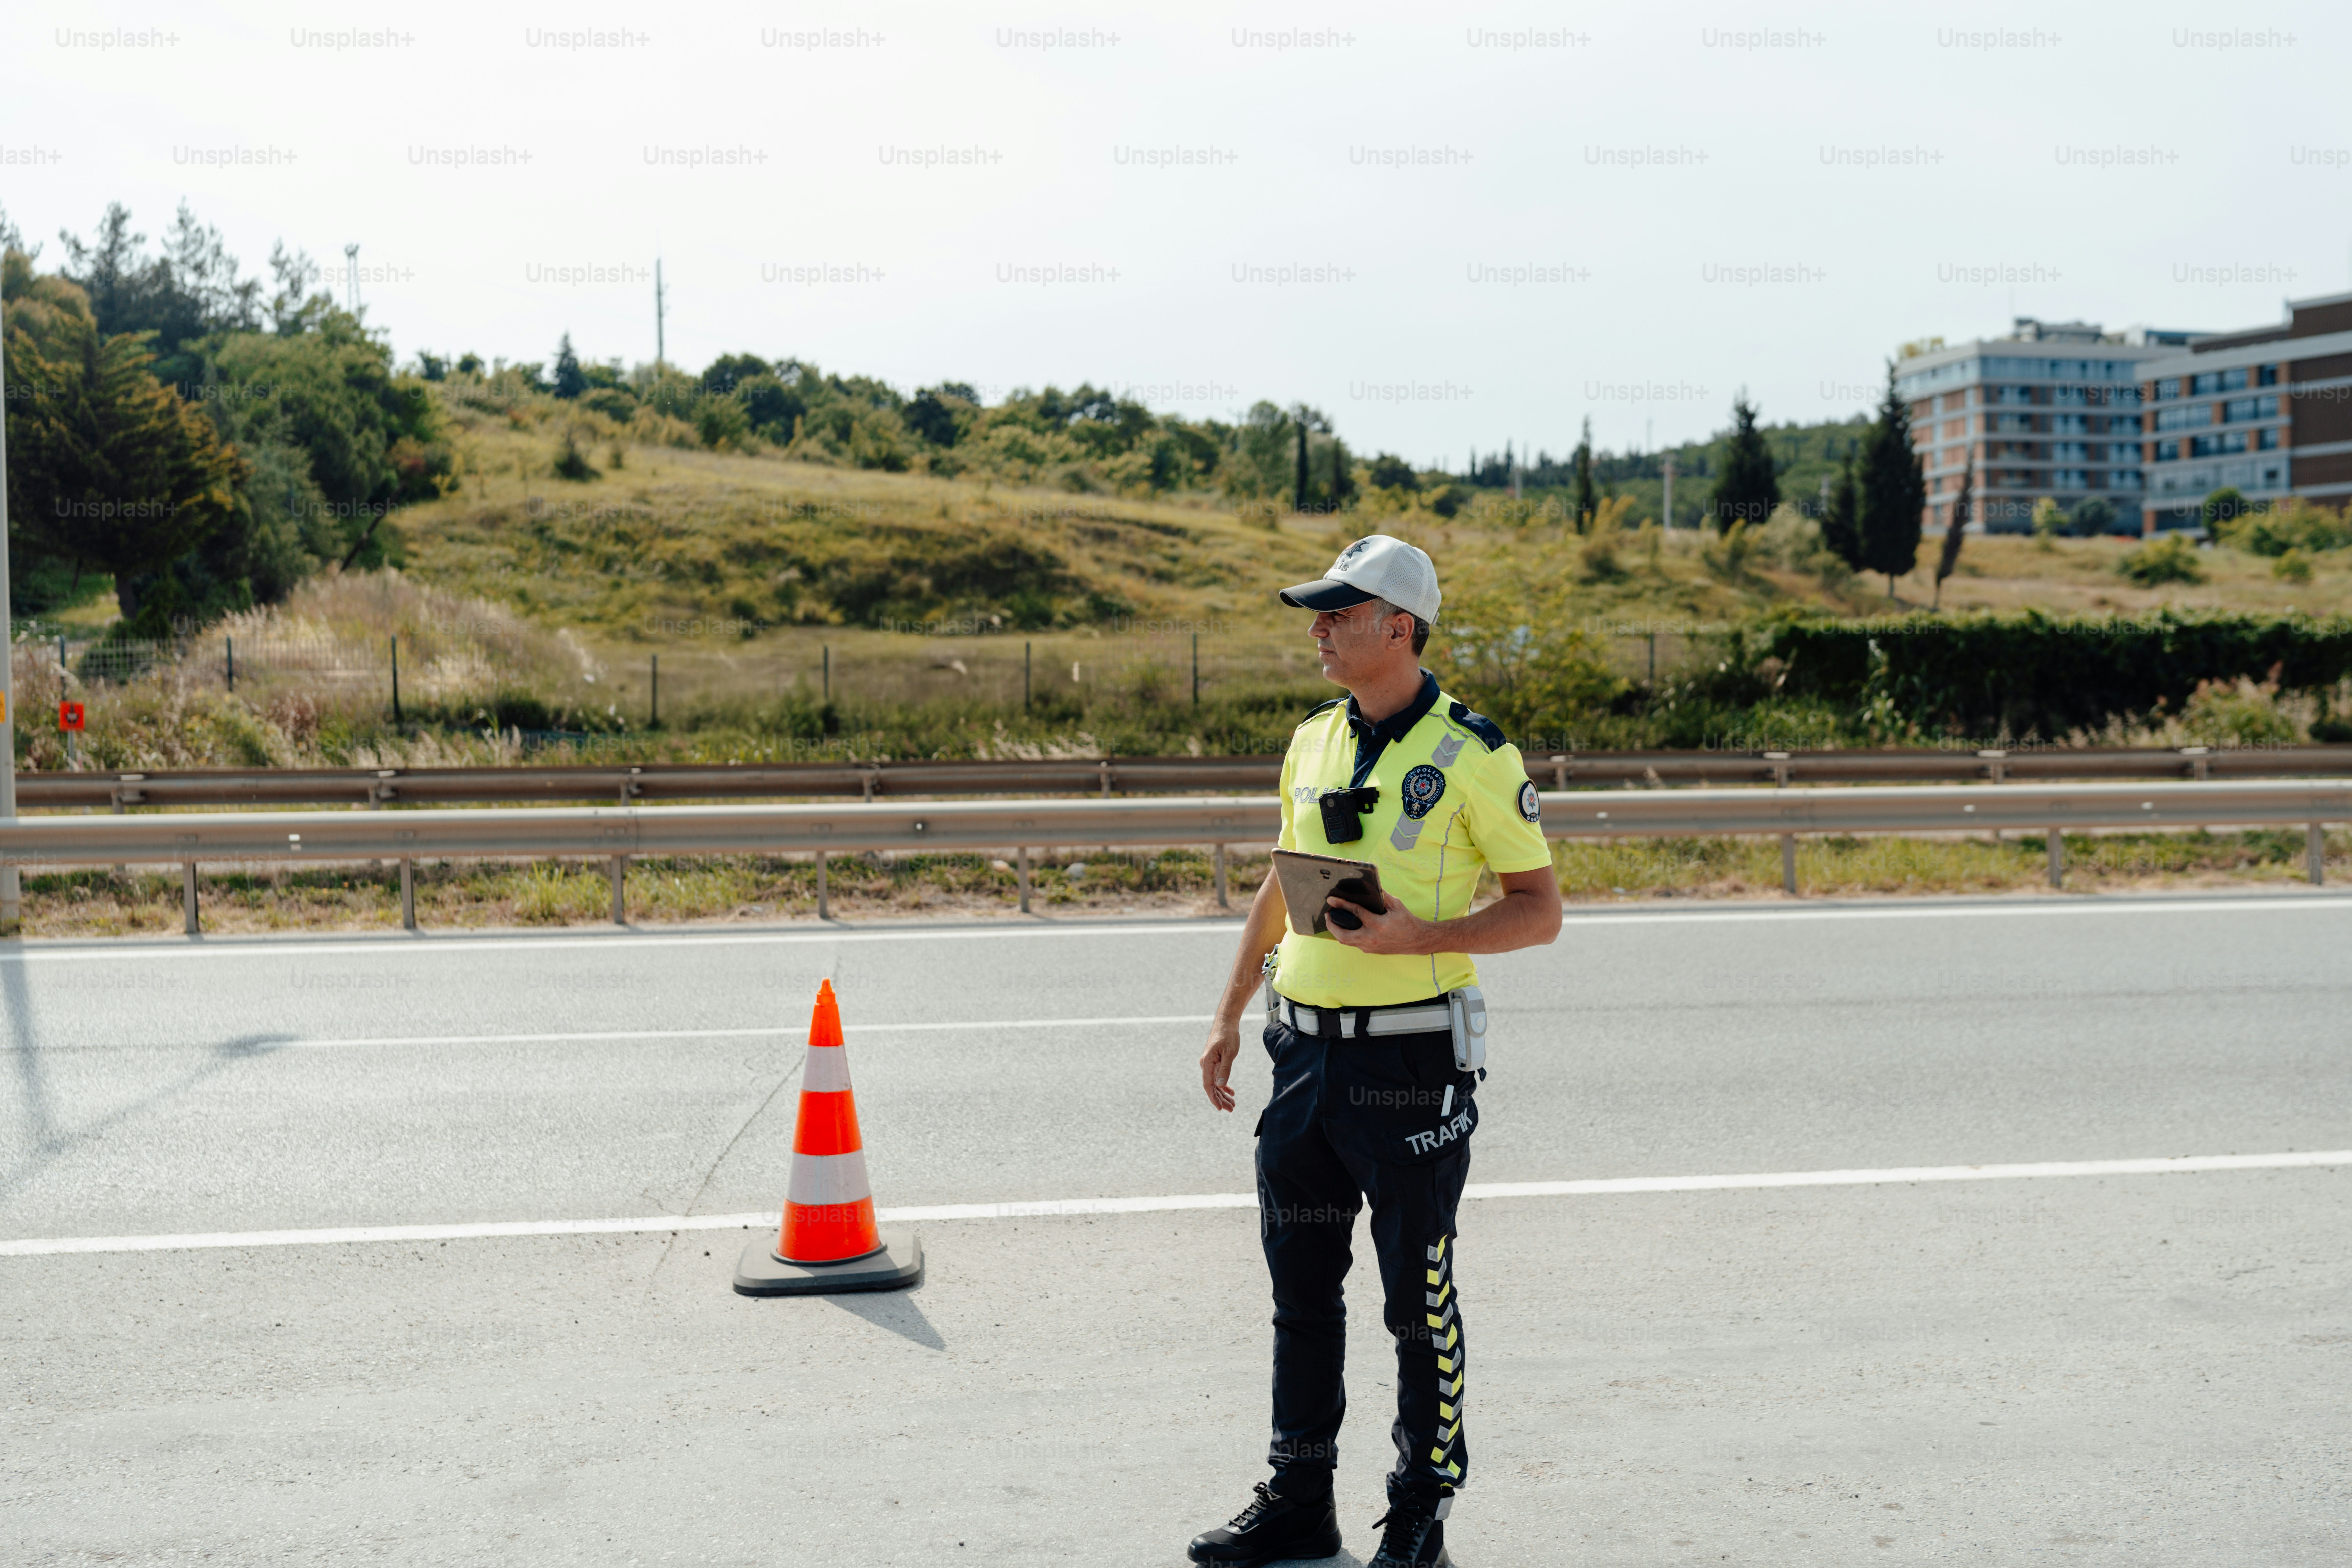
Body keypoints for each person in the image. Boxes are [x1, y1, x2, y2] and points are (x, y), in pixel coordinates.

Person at [1188, 536, 1563, 1568]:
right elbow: (1281, 878)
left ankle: (1420, 1511)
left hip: (1410, 1066)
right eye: (1316, 612)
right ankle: (1300, 1494)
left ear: (1398, 626)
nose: (1318, 629)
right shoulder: (1312, 738)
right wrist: (1228, 1012)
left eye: (1338, 613)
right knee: (1302, 1293)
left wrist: (1421, 938)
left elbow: (1539, 914)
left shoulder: (1473, 754)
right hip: (1301, 1058)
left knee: (1417, 1299)